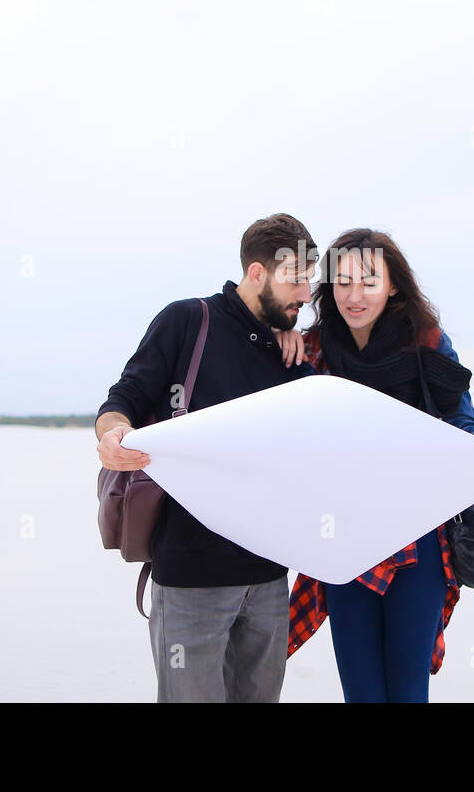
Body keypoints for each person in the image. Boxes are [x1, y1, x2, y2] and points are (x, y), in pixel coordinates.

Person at [279, 228, 474, 703]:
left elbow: (460, 418)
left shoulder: (427, 343)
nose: (355, 295)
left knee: (408, 691)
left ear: (393, 285)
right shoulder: (311, 351)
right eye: (343, 281)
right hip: (343, 542)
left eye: (369, 280)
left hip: (419, 538)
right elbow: (274, 426)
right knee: (362, 692)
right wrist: (276, 332)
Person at [95, 213, 318, 702]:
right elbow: (125, 397)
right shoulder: (187, 321)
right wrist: (113, 435)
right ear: (257, 273)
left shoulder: (290, 355)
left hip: (269, 579)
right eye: (296, 280)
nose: (305, 294)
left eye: (309, 279)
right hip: (190, 578)